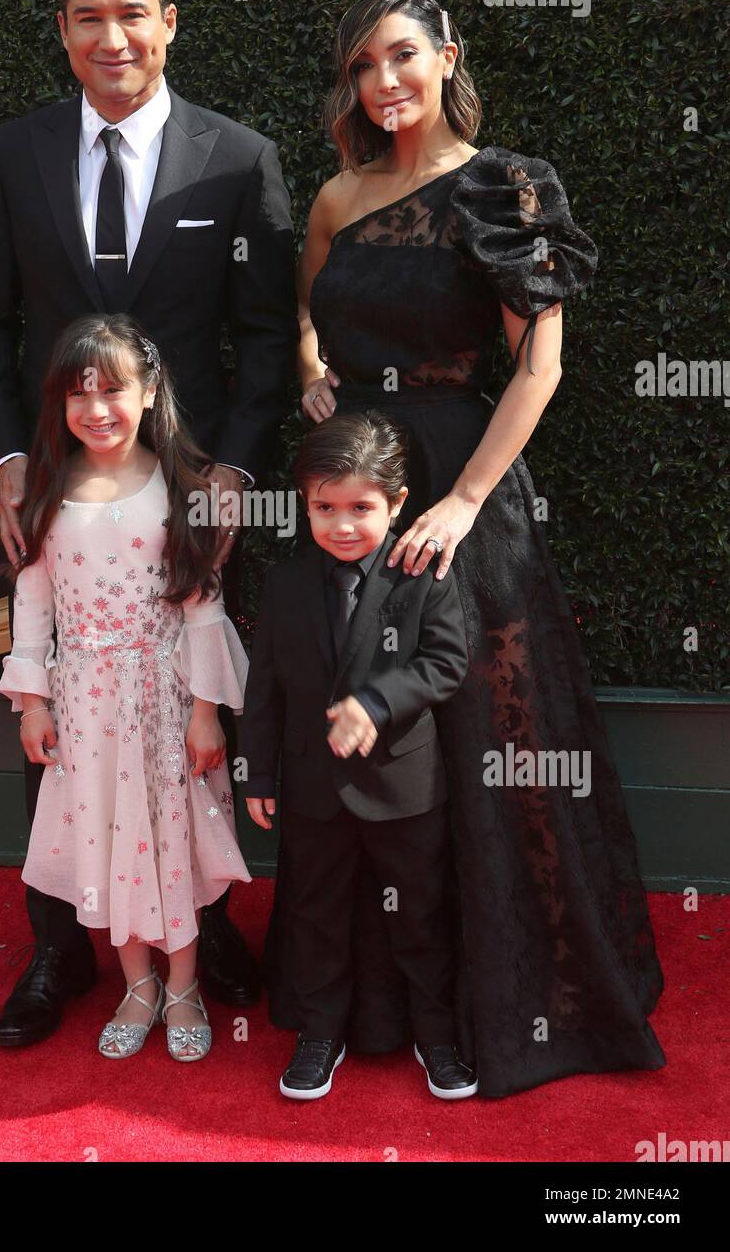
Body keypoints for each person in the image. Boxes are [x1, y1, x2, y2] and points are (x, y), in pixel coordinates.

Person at [274, 0, 666, 1098]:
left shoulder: (511, 186)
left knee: (488, 739)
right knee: (363, 730)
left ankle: (500, 1000)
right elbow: (307, 314)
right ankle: (367, 1004)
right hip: (356, 491)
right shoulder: (339, 194)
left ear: (448, 55)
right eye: (361, 66)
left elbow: (538, 367)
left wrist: (460, 503)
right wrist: (313, 379)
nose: (384, 82)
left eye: (402, 56)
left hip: (465, 481)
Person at [0, 0, 297, 1045]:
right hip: (60, 499)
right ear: (62, 31)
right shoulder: (15, 154)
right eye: (88, 17)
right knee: (57, 721)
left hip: (186, 508)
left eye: (132, 14)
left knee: (191, 720)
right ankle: (61, 943)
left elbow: (264, 339)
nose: (113, 36)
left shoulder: (240, 159)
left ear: (170, 24)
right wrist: (10, 463)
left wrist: (236, 468)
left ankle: (207, 921)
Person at [0, 314, 252, 1061]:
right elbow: (33, 604)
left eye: (113, 389)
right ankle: (135, 985)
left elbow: (204, 609)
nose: (96, 408)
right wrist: (35, 699)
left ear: (149, 393)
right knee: (107, 839)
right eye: (78, 394)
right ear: (58, 404)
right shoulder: (47, 487)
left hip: (165, 704)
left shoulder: (182, 484)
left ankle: (183, 984)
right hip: (84, 708)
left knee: (171, 840)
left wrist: (206, 714)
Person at [241, 412, 474, 1100]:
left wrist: (375, 704)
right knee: (315, 915)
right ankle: (320, 1033)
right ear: (303, 505)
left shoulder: (423, 573)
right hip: (313, 790)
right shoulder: (283, 587)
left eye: (361, 509)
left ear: (397, 504)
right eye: (324, 508)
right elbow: (264, 689)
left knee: (420, 915)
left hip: (404, 788)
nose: (342, 525)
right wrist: (255, 770)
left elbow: (446, 661)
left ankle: (435, 1036)